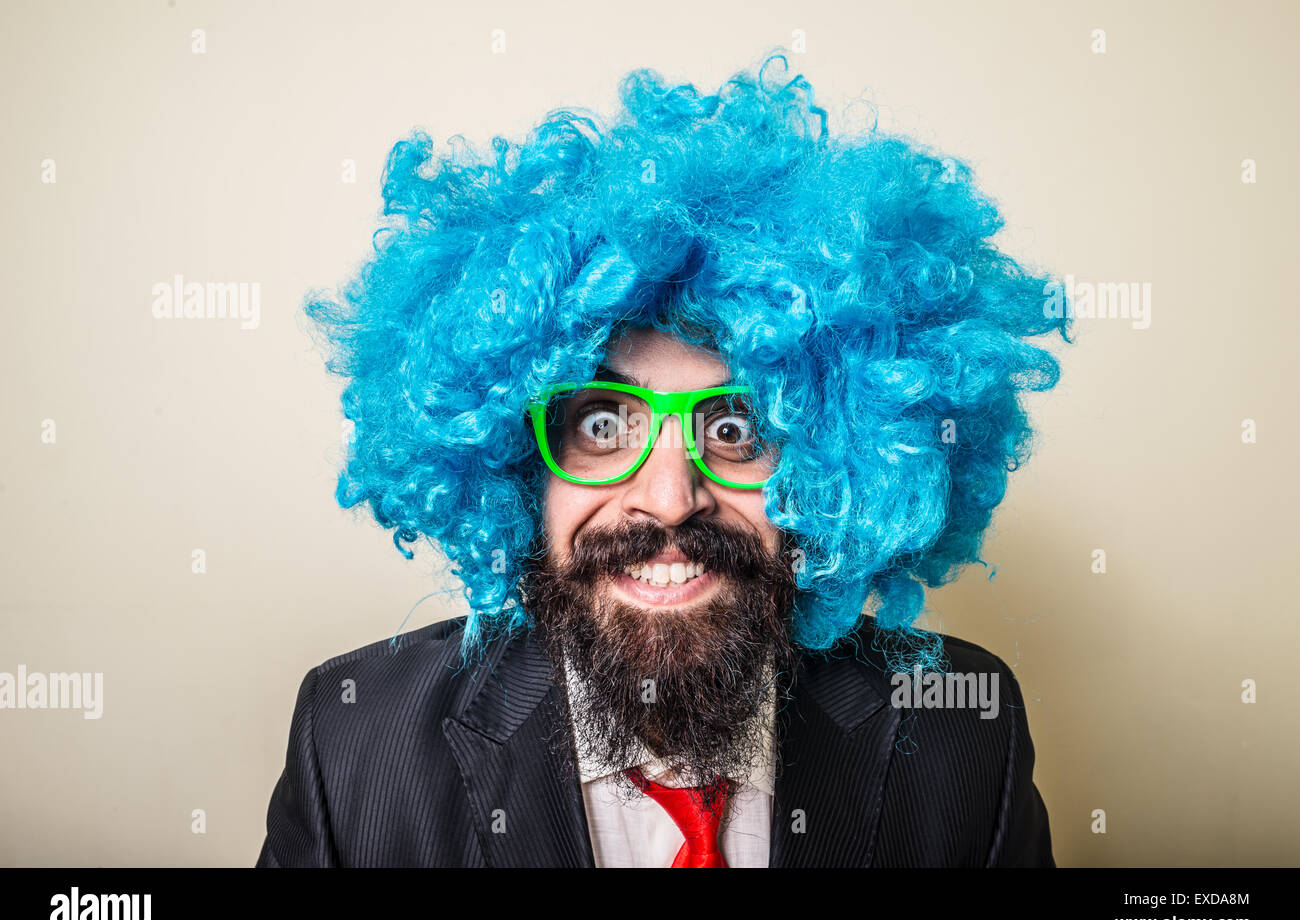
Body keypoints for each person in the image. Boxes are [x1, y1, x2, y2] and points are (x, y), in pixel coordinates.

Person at [256, 49, 1069, 868]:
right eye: (603, 424)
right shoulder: (352, 745)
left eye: (736, 429)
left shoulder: (965, 733)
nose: (672, 500)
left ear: (836, 462)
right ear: (514, 467)